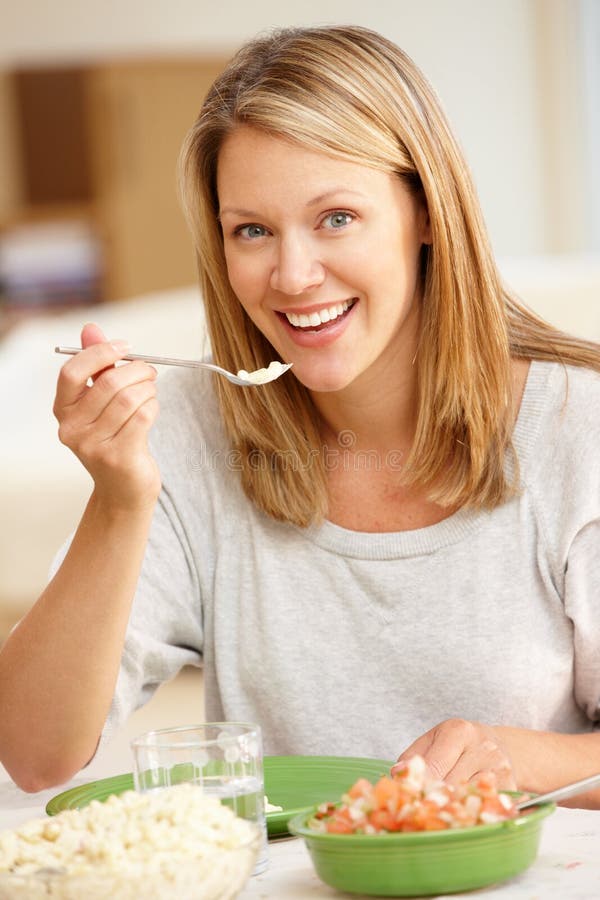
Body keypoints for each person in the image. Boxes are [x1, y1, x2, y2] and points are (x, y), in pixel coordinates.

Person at [1, 24, 600, 804]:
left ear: (426, 211)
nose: (292, 275)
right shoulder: (188, 436)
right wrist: (119, 502)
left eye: (336, 218)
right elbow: (33, 753)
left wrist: (532, 764)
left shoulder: (576, 429)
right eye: (252, 230)